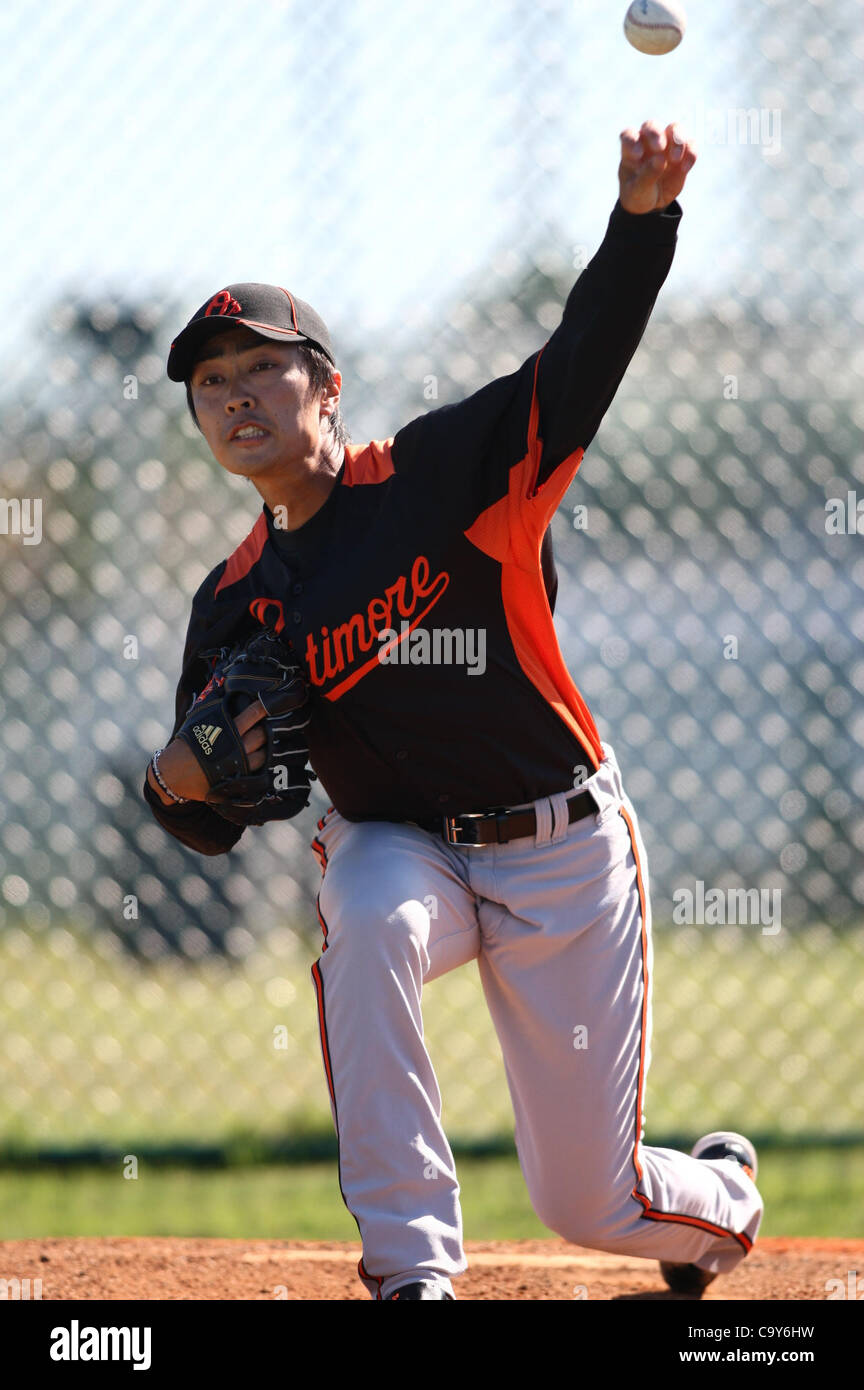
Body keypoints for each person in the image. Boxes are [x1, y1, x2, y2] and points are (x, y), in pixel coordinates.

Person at [143, 121, 763, 1301]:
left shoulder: (440, 475)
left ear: (328, 386)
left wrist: (642, 222)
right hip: (403, 849)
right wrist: (173, 778)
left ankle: (718, 1198)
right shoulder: (229, 602)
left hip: (559, 842)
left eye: (259, 367)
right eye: (209, 382)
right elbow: (207, 812)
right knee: (363, 910)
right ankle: (413, 1272)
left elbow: (579, 363)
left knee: (591, 1201)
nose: (232, 397)